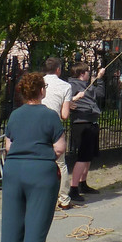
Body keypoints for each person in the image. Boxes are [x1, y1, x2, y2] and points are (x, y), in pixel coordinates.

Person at [0, 72, 66, 242]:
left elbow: (8, 146)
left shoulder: (14, 116)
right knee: (36, 224)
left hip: (13, 170)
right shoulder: (49, 116)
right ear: (42, 91)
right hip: (40, 172)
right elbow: (60, 147)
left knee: (12, 223)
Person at [68, 62, 106, 202]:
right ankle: (73, 188)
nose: (89, 74)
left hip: (92, 122)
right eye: (87, 72)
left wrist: (99, 79)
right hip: (81, 123)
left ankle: (83, 183)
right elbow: (66, 101)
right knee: (83, 157)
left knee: (88, 156)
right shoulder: (71, 86)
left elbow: (100, 93)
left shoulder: (86, 86)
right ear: (82, 73)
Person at [41, 57, 72, 210]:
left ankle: (42, 197)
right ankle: (64, 199)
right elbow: (65, 115)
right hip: (53, 125)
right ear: (58, 69)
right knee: (60, 163)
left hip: (36, 124)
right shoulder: (65, 86)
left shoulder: (38, 82)